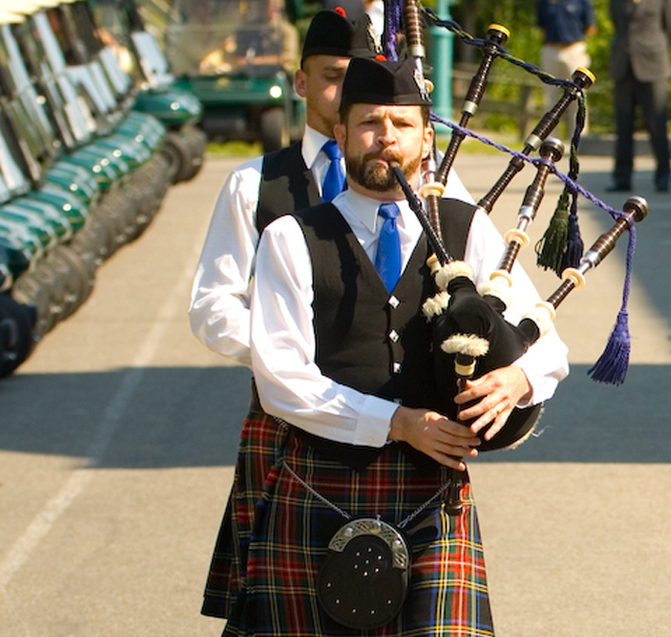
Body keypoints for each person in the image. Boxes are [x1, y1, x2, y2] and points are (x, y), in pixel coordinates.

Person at [227, 55, 569, 634]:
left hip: (431, 498)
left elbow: (546, 341)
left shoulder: (467, 228)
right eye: (368, 123)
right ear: (340, 133)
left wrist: (518, 380)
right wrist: (398, 422)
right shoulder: (291, 237)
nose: (386, 136)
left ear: (426, 138)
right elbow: (282, 380)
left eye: (403, 124)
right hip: (320, 482)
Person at [192, 9, 470, 622]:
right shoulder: (255, 183)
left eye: (357, 80)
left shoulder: (440, 196)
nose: (345, 94)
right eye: (331, 79)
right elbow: (212, 305)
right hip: (296, 424)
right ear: (301, 83)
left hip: (417, 443)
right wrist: (286, 344)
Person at [608, 0, 671, 193]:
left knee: (657, 124)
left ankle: (663, 176)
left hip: (653, 65)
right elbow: (616, 22)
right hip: (623, 66)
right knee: (623, 126)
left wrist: (654, 47)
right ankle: (622, 177)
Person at [537, 0, 596, 142]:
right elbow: (541, 26)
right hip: (551, 48)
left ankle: (578, 140)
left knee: (577, 96)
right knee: (550, 97)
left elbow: (590, 27)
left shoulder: (582, 1)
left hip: (573, 48)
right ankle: (551, 139)